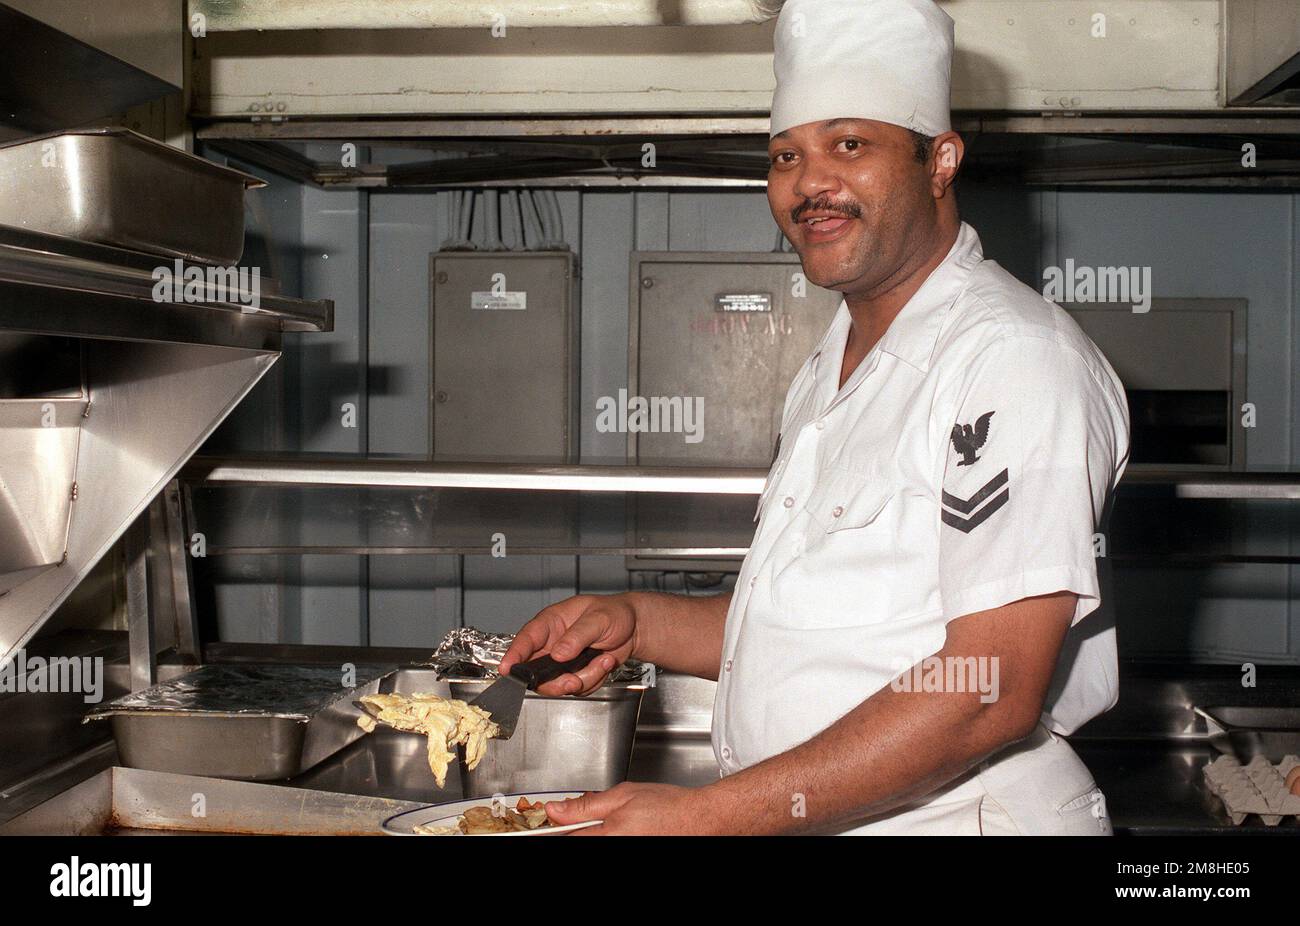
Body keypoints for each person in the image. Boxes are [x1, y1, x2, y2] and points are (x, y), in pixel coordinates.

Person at [500, 0, 1130, 835]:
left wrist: (704, 818)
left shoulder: (1012, 358)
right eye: (785, 156)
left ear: (940, 160)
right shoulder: (833, 363)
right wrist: (639, 621)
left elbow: (989, 685)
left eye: (851, 145)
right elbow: (835, 625)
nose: (810, 183)